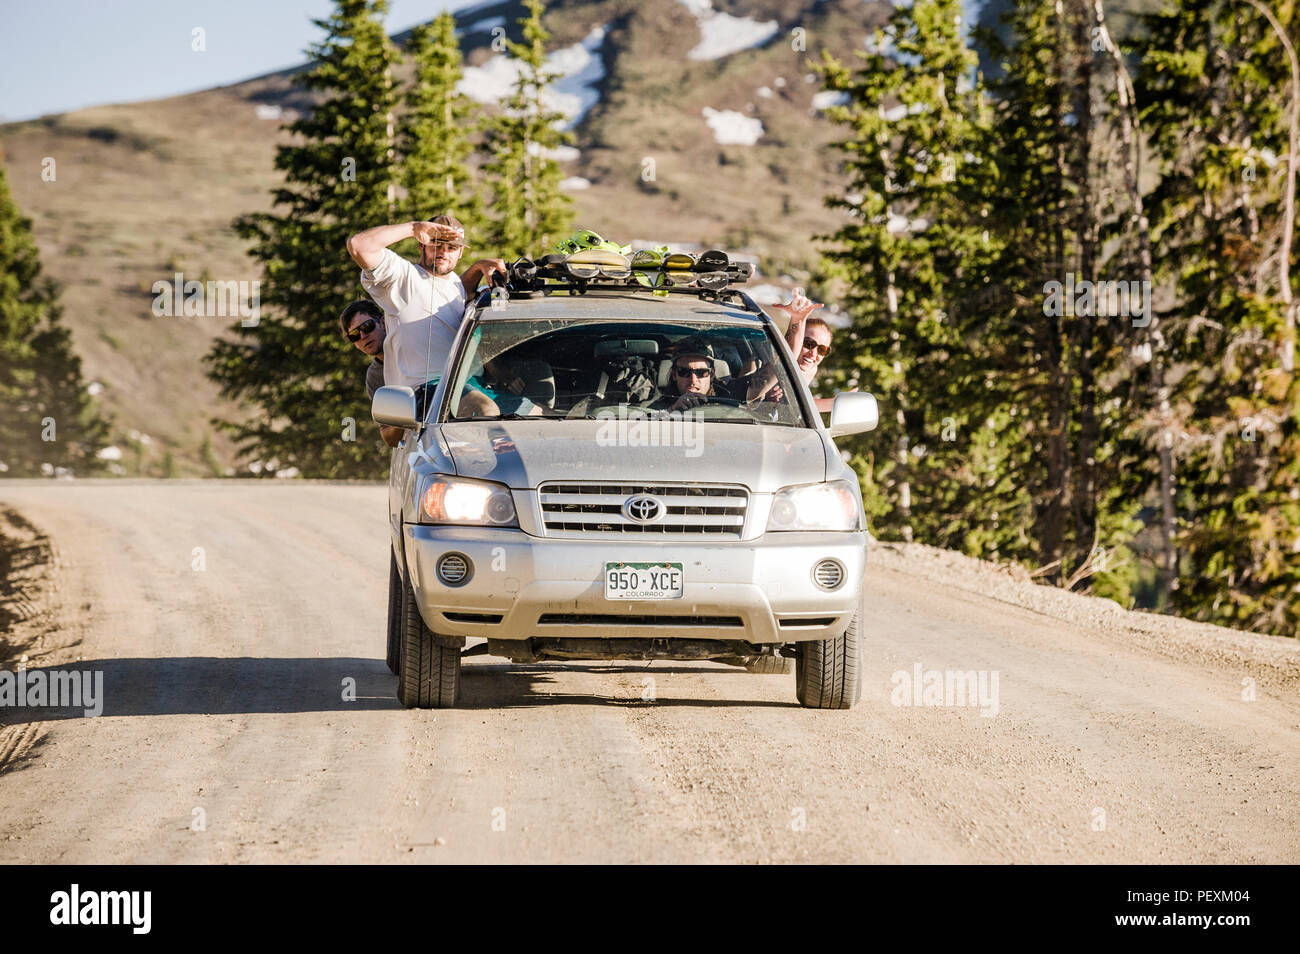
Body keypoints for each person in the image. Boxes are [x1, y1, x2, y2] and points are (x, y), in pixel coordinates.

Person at [345, 214, 505, 395]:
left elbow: (457, 292)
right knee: (485, 409)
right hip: (427, 394)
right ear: (422, 245)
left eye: (451, 247)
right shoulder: (402, 278)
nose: (443, 252)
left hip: (469, 385)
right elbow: (358, 246)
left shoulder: (454, 283)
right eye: (436, 244)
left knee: (526, 406)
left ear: (460, 252)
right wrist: (413, 228)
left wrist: (478, 267)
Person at [339, 299, 405, 448]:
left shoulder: (411, 345)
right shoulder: (374, 377)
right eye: (354, 335)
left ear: (383, 322)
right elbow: (389, 438)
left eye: (367, 326)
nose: (363, 336)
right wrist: (406, 414)